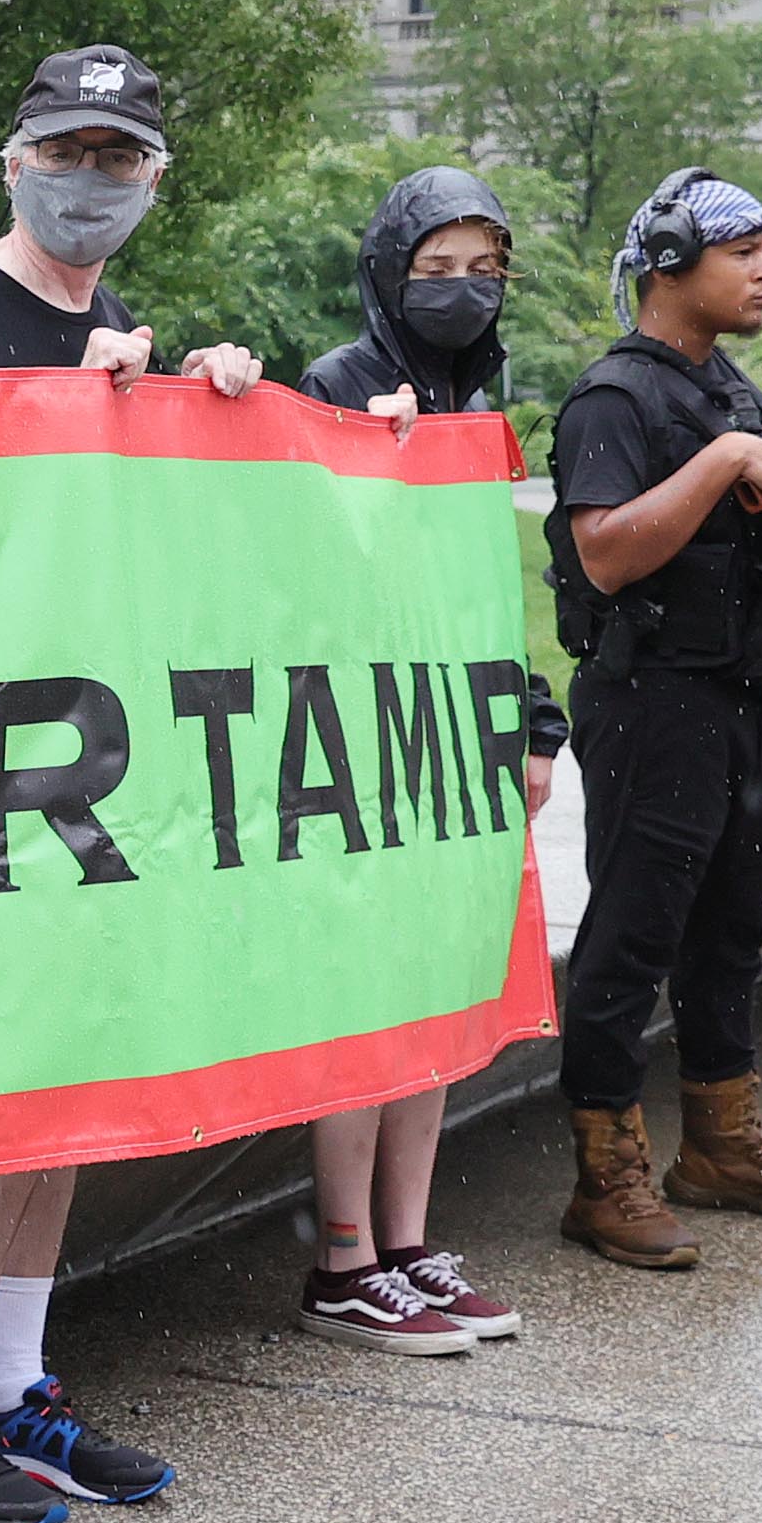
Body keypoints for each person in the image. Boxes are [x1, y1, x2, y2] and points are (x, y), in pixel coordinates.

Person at [0, 43, 253, 1523]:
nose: (89, 180)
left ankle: (10, 1378)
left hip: (90, 751)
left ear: (152, 178)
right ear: (12, 156)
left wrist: (209, 406)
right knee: (0, 1081)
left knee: (68, 1079)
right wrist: (46, 401)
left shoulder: (132, 340)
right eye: (66, 150)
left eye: (119, 158)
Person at [543, 169, 762, 1267]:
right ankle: (605, 1177)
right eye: (744, 251)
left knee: (734, 921)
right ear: (670, 263)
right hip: (653, 702)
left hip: (740, 700)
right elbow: (603, 552)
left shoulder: (729, 388)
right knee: (635, 930)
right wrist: (723, 461)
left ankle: (721, 1147)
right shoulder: (616, 398)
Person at [285, 167, 565, 1352]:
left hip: (458, 731)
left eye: (482, 271)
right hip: (369, 730)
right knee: (367, 993)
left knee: (442, 984)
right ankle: (343, 1255)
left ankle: (408, 1240)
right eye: (435, 270)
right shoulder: (340, 385)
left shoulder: (478, 392)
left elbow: (483, 587)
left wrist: (532, 715)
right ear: (388, 272)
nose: (461, 293)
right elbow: (313, 573)